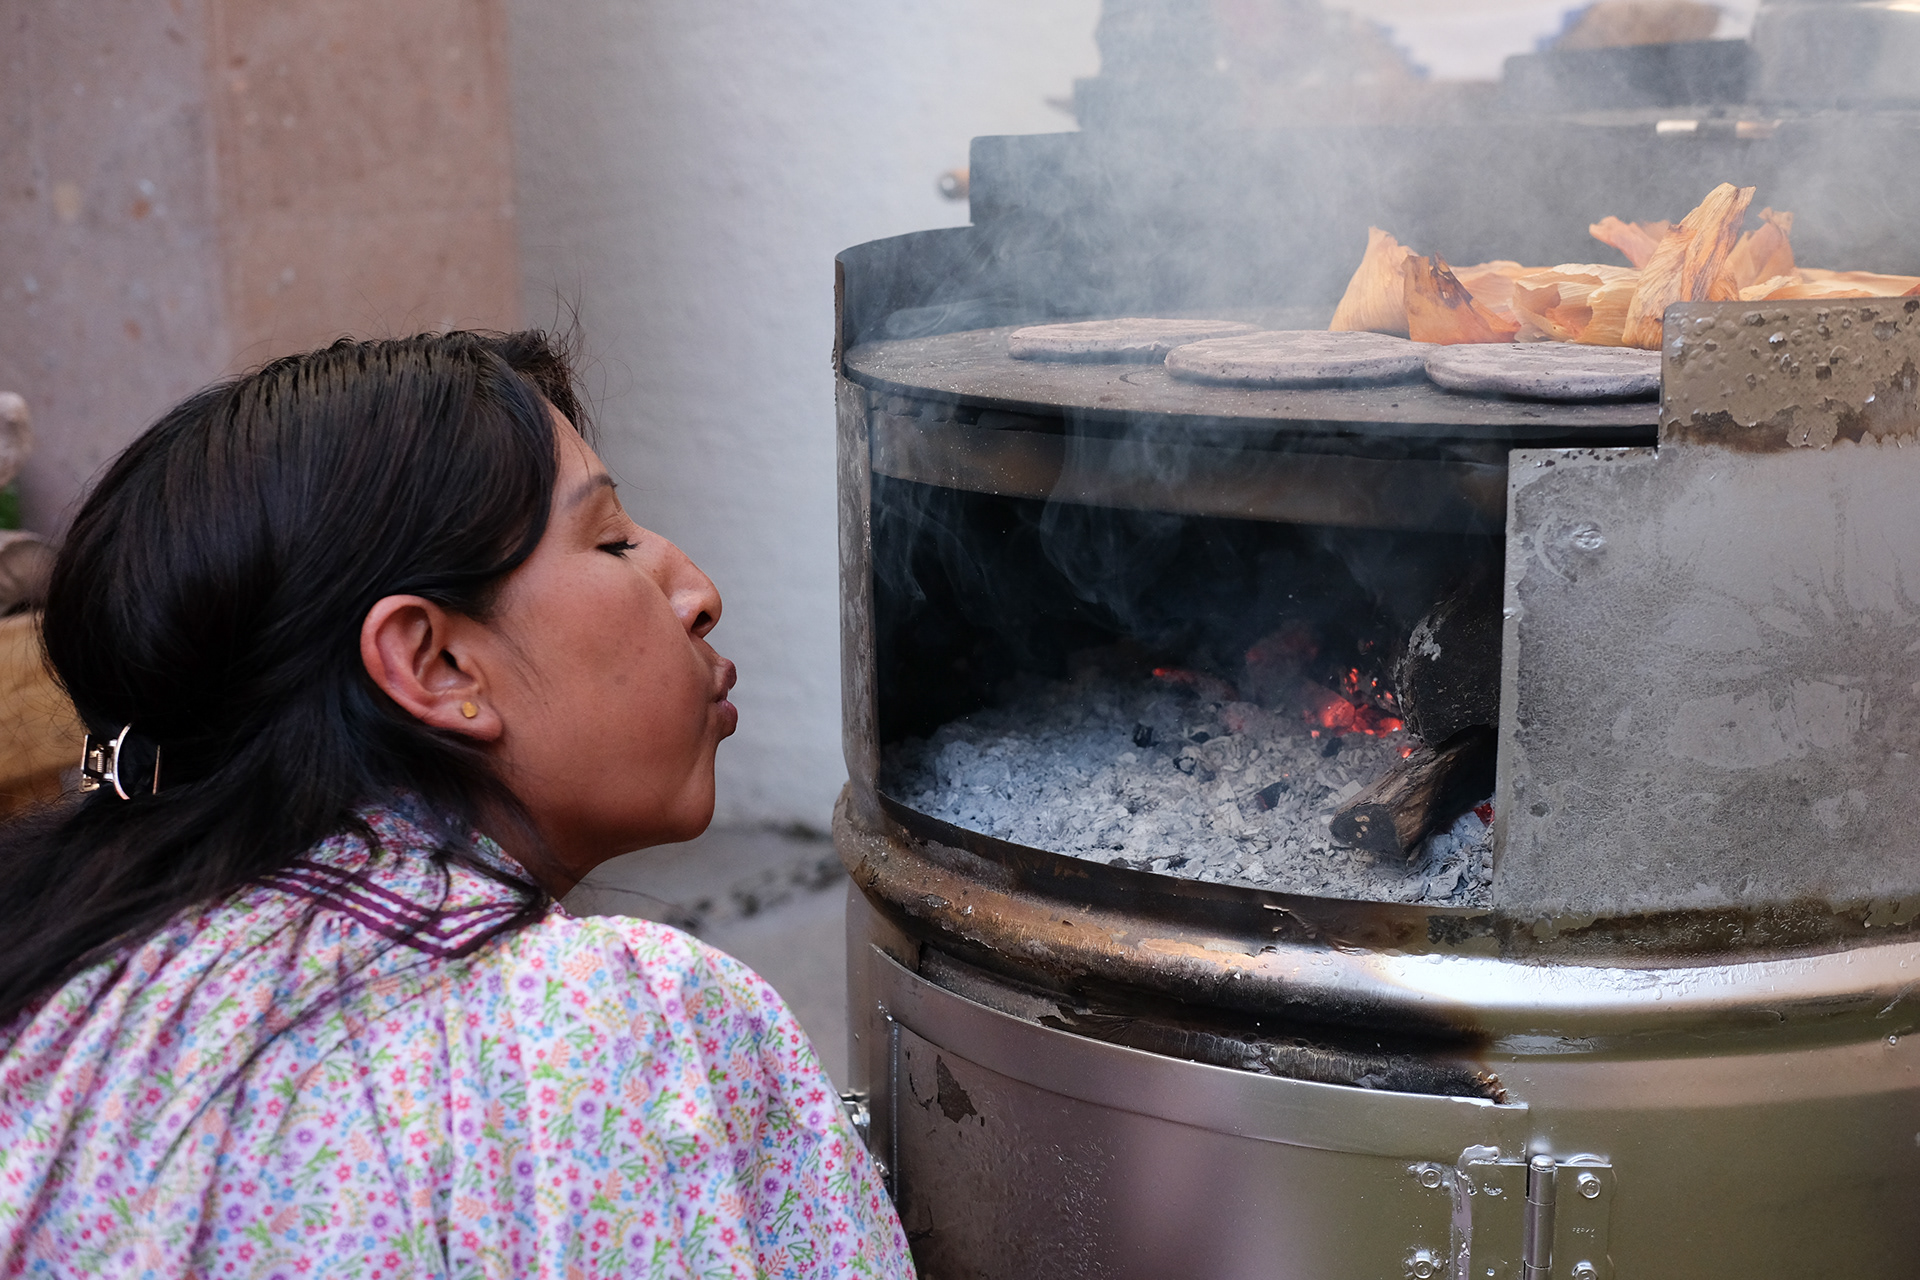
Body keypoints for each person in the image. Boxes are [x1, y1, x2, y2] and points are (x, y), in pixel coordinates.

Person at [0, 332, 913, 1277]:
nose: (696, 593)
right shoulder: (603, 1029)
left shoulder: (63, 991)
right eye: (611, 541)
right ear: (436, 667)